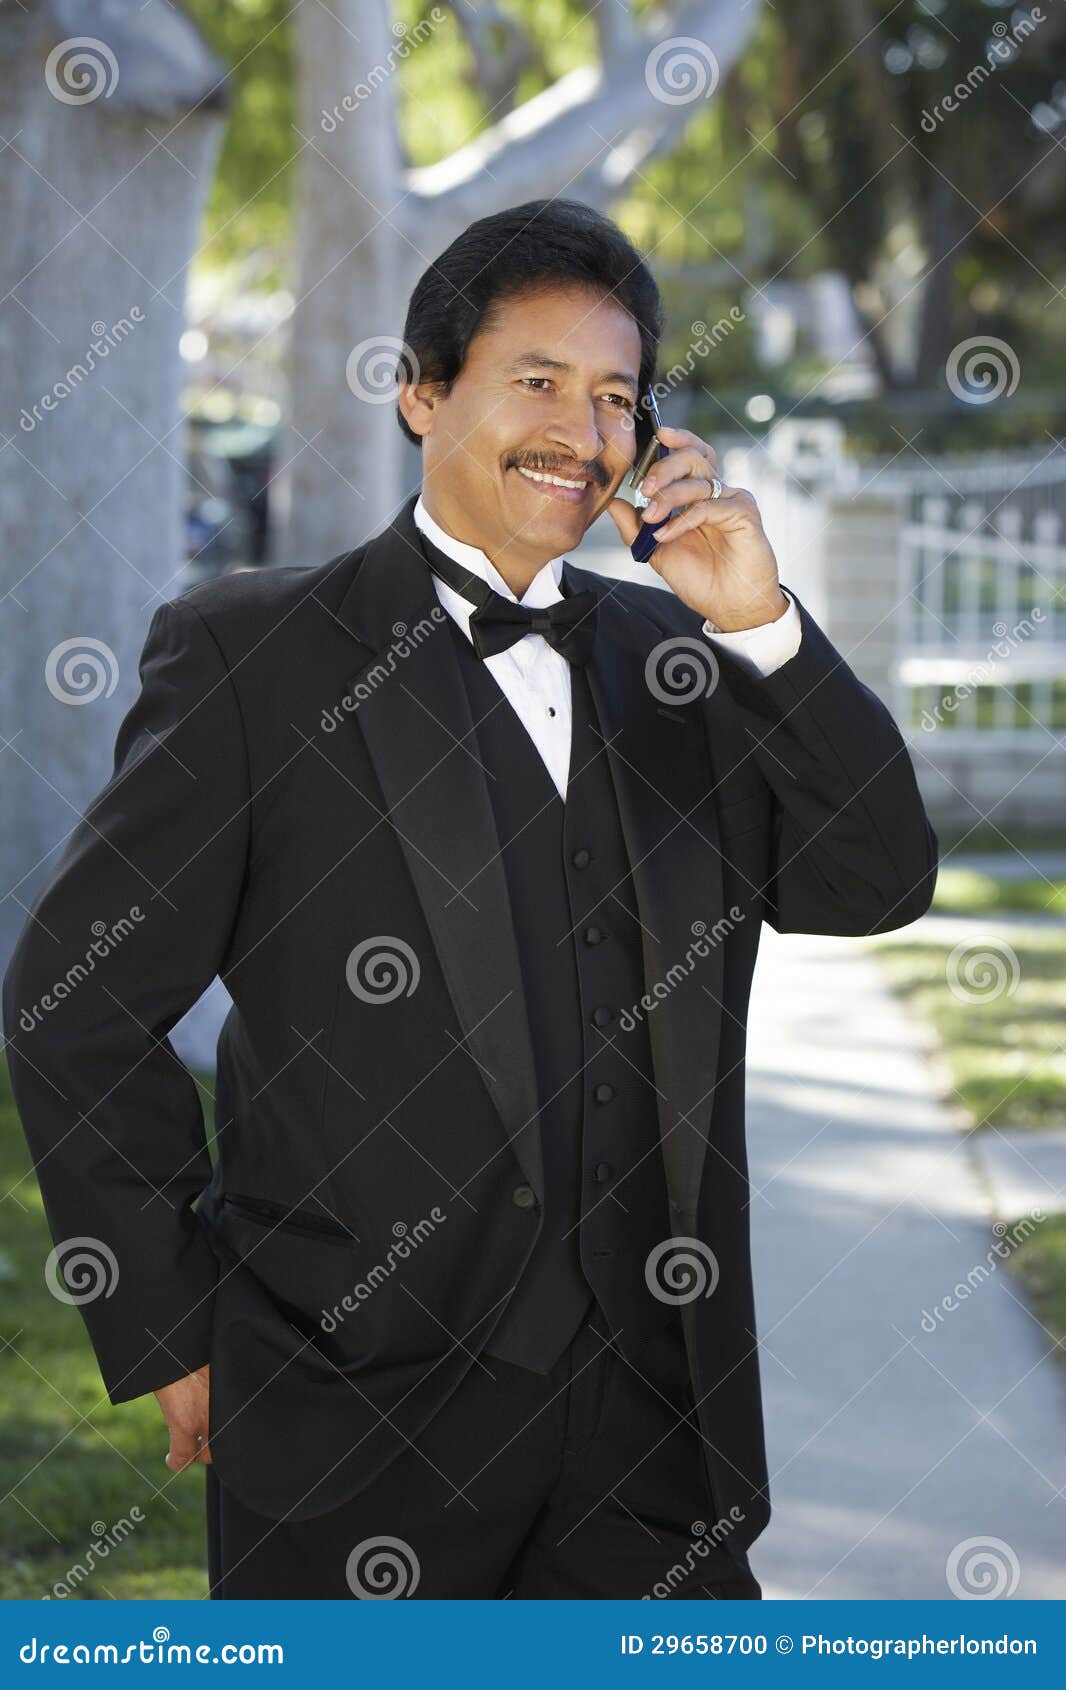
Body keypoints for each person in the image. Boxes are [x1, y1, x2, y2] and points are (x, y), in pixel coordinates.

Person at [1, 199, 938, 1600]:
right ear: (421, 391)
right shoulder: (257, 657)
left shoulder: (680, 657)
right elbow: (76, 1007)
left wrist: (757, 624)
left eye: (614, 394)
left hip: (653, 1439)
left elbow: (876, 879)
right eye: (537, 379)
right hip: (348, 1421)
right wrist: (165, 1318)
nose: (581, 428)